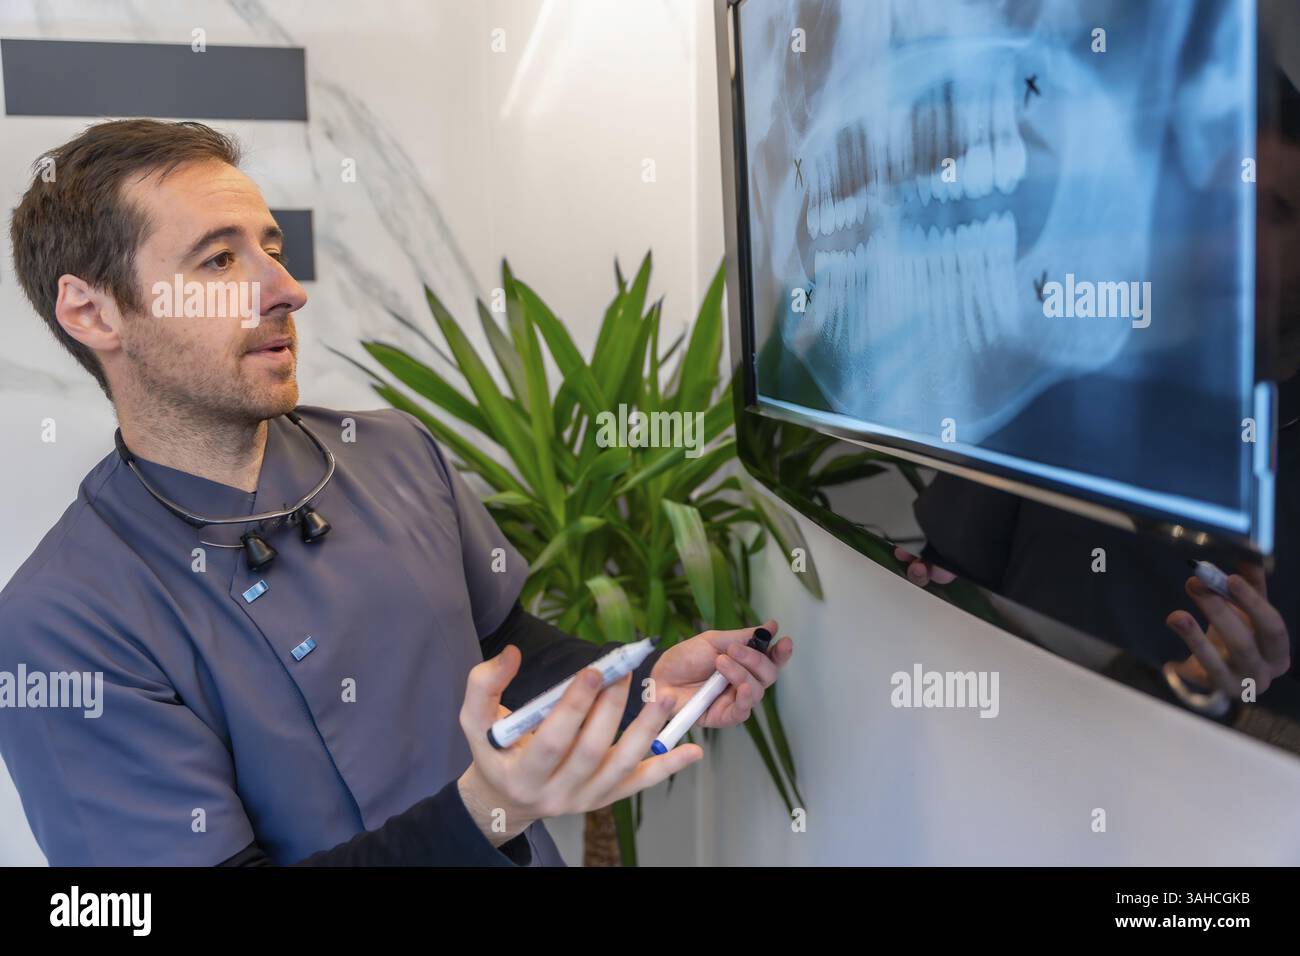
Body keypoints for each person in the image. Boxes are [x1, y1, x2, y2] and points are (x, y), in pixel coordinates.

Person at [0, 119, 794, 866]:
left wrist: (645, 687)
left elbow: (504, 650)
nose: (284, 289)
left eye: (271, 249)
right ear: (92, 310)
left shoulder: (393, 451)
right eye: (217, 261)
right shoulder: (63, 621)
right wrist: (487, 809)